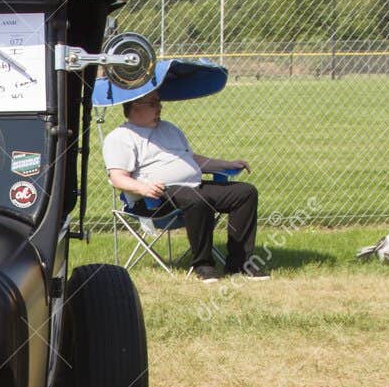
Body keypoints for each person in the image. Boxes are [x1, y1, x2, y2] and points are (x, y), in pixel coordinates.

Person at [102, 91, 266, 283]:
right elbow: (118, 179)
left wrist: (226, 164)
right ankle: (203, 265)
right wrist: (142, 188)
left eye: (159, 102)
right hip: (154, 198)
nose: (160, 107)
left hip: (193, 187)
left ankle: (240, 264)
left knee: (245, 192)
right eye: (153, 103)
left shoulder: (169, 129)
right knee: (196, 200)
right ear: (135, 106)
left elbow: (192, 160)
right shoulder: (120, 137)